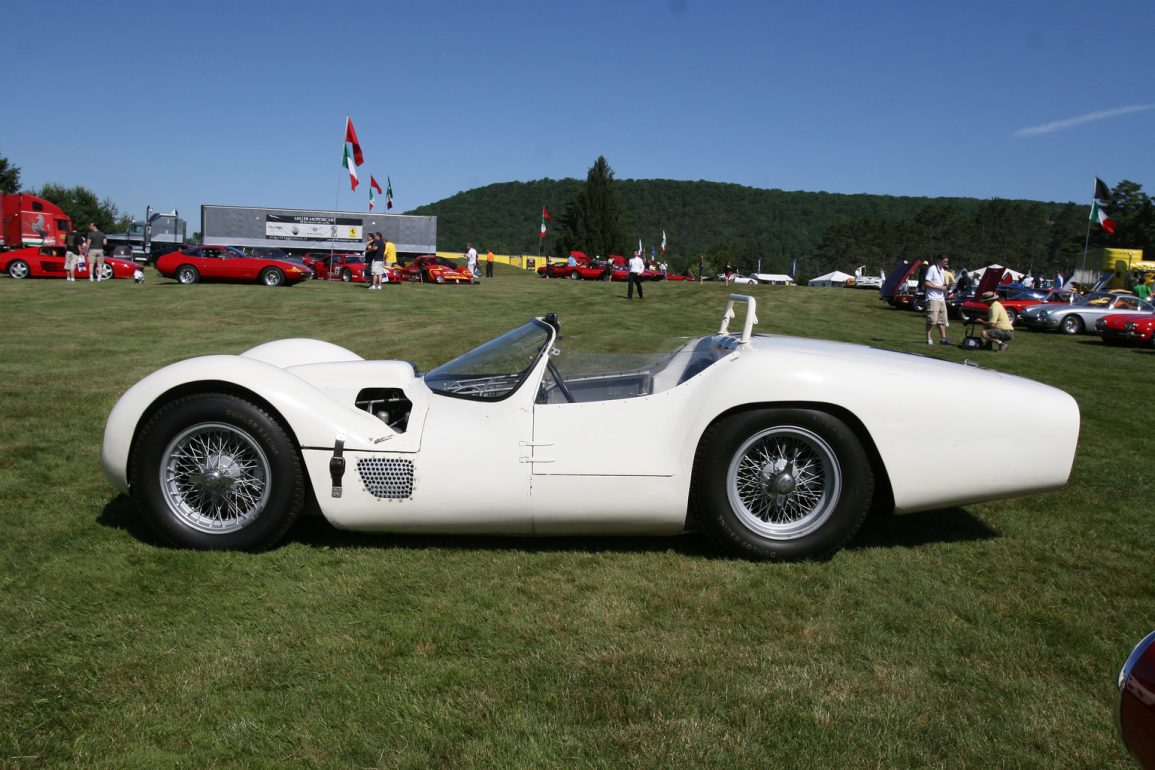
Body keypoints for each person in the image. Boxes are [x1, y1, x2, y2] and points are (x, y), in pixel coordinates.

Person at [924, 254, 951, 345]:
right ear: (939, 260)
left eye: (947, 261)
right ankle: (928, 338)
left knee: (942, 320)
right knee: (931, 319)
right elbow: (926, 283)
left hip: (941, 298)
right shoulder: (932, 269)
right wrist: (939, 287)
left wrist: (946, 286)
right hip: (932, 298)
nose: (946, 263)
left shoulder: (943, 271)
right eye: (945, 261)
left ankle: (943, 339)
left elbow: (943, 285)